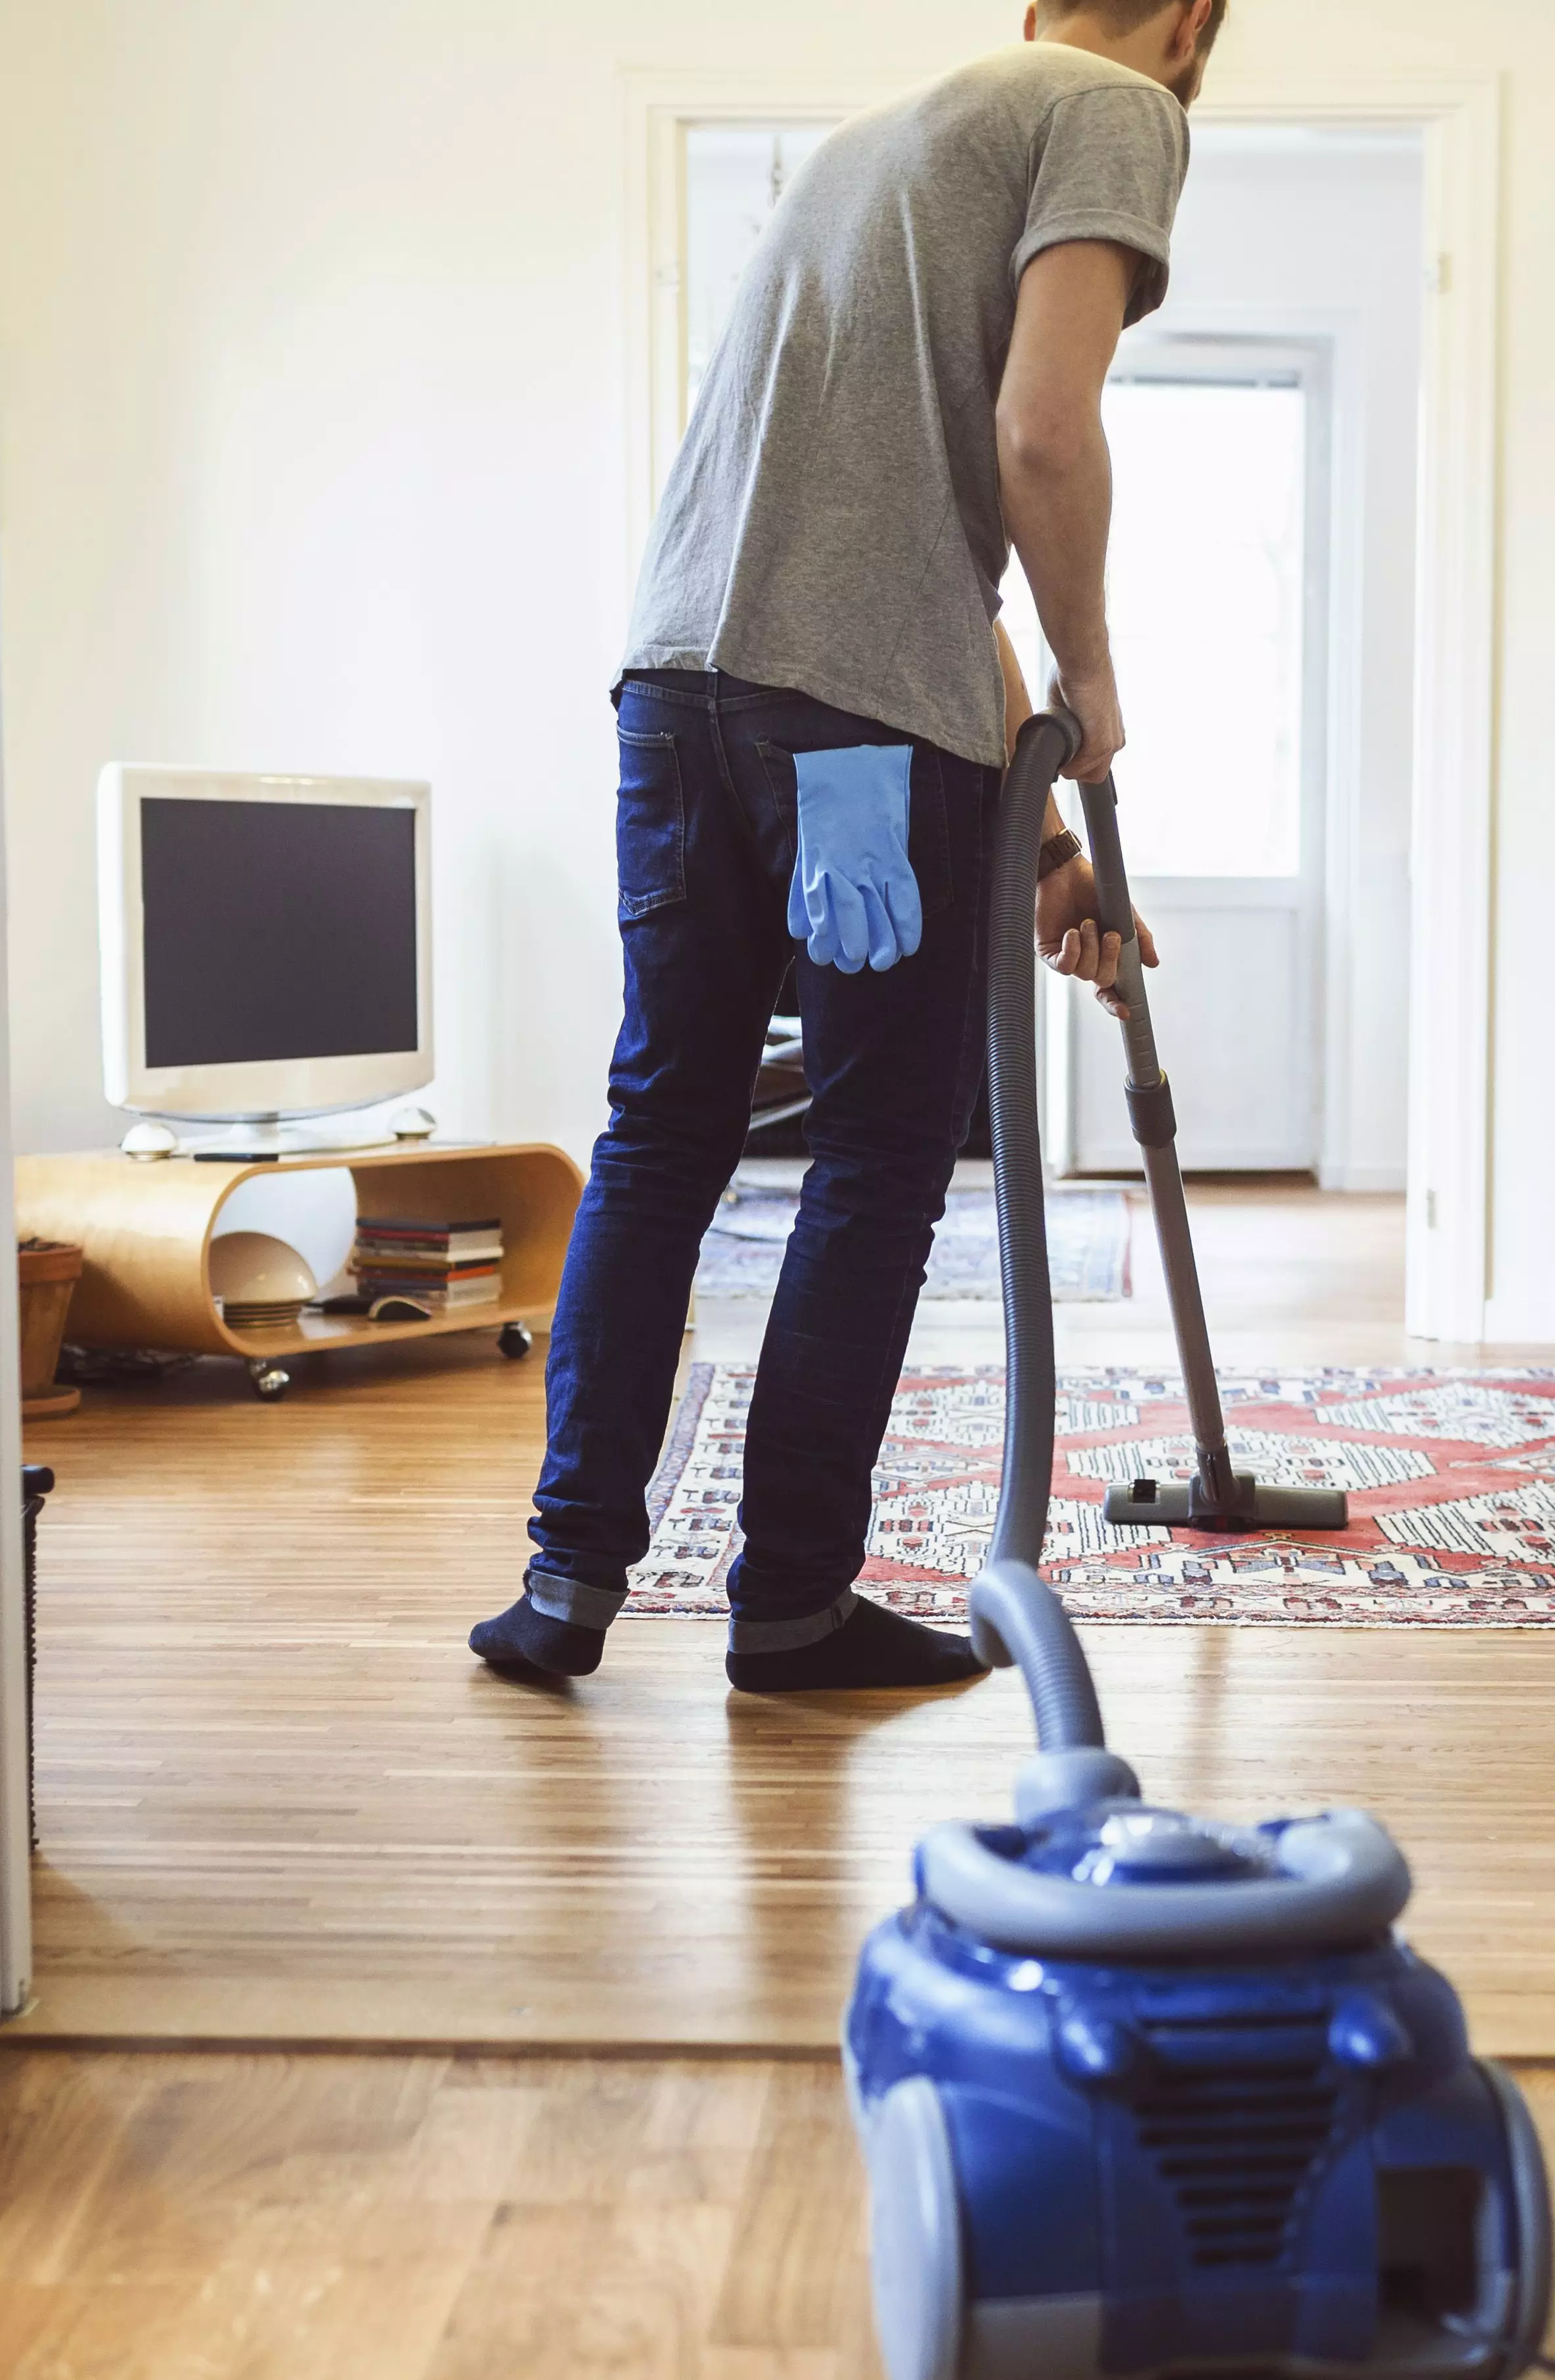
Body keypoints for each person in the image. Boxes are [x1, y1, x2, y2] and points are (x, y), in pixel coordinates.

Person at [469, 0, 1227, 1693]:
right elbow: (1040, 437)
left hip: (678, 691)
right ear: (1185, 25)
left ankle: (563, 1586)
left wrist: (1039, 852)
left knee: (660, 1130)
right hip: (857, 725)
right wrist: (1096, 681)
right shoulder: (1120, 108)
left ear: (1034, 6)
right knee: (881, 1155)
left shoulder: (876, 144)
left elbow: (902, 548)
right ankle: (794, 1602)